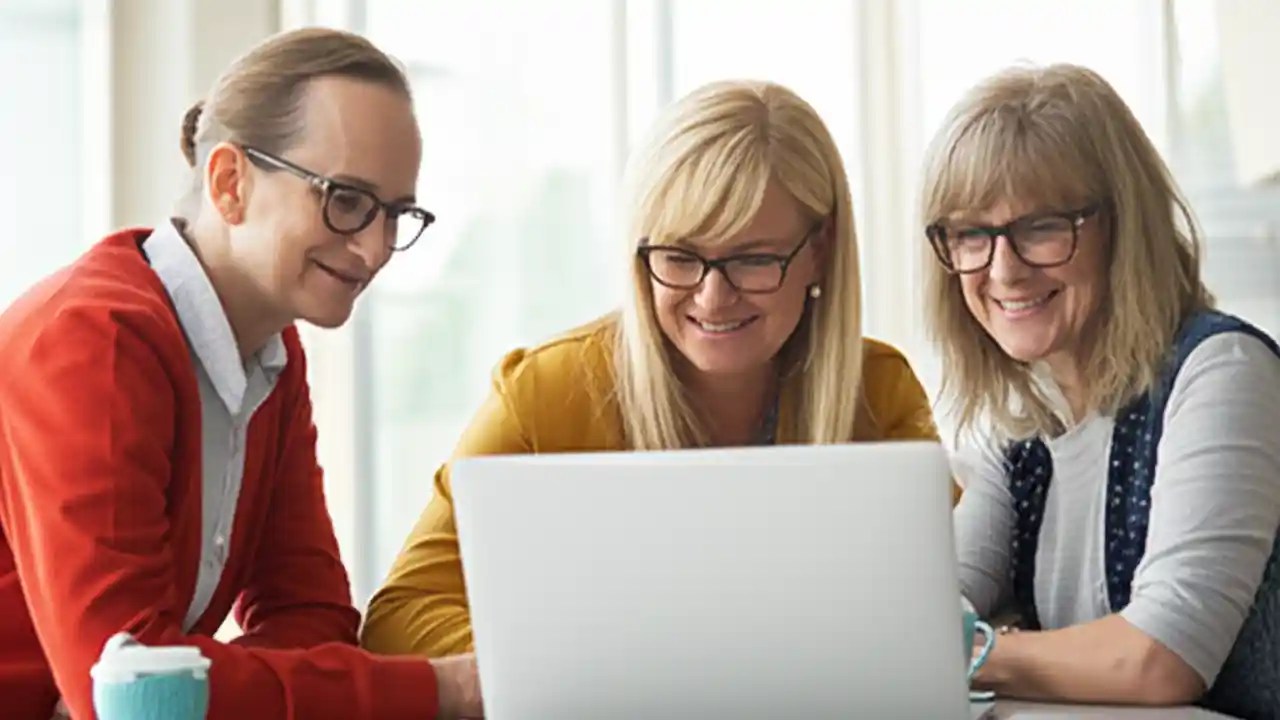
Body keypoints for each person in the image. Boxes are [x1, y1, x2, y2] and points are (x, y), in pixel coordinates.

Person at [360, 79, 947, 659]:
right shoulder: (546, 391)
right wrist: (586, 672)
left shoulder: (877, 391)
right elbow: (400, 615)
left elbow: (956, 604)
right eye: (679, 257)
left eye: (752, 259)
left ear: (820, 248)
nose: (713, 298)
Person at [0, 28, 482, 720]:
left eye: (396, 213)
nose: (376, 248)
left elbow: (311, 614)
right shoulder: (94, 340)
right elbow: (124, 684)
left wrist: (195, 681)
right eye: (346, 199)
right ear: (230, 183)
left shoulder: (272, 354)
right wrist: (444, 689)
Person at [925, 63, 1280, 716]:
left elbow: (1159, 659)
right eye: (972, 233)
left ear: (1124, 225)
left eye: (1041, 227)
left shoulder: (1222, 370)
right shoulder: (1025, 423)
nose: (1002, 269)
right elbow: (924, 609)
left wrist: (980, 654)